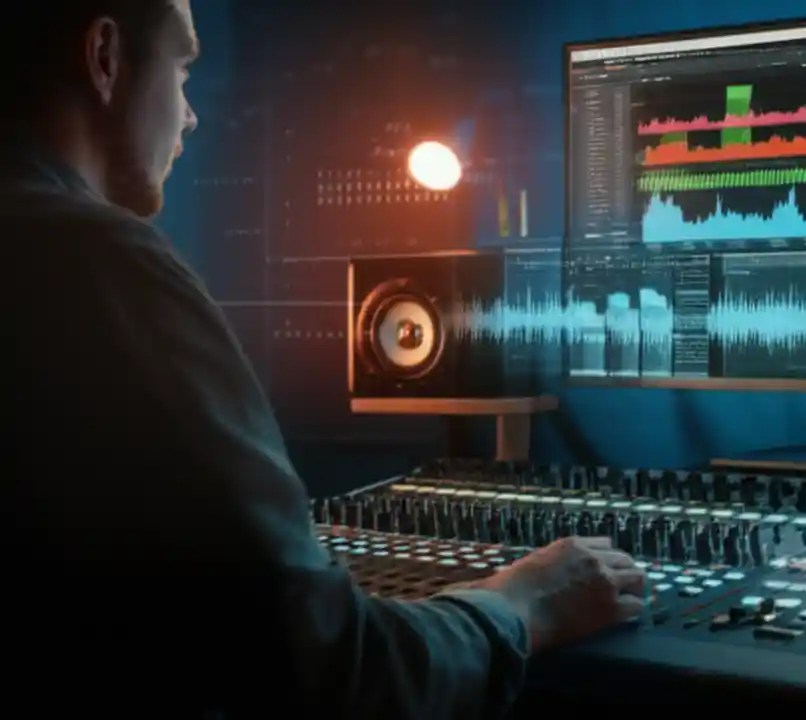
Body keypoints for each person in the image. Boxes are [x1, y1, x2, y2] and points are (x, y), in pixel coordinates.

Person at [0, 1, 644, 717]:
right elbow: (335, 669)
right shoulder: (102, 262)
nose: (191, 116)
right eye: (182, 70)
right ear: (105, 57)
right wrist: (521, 603)